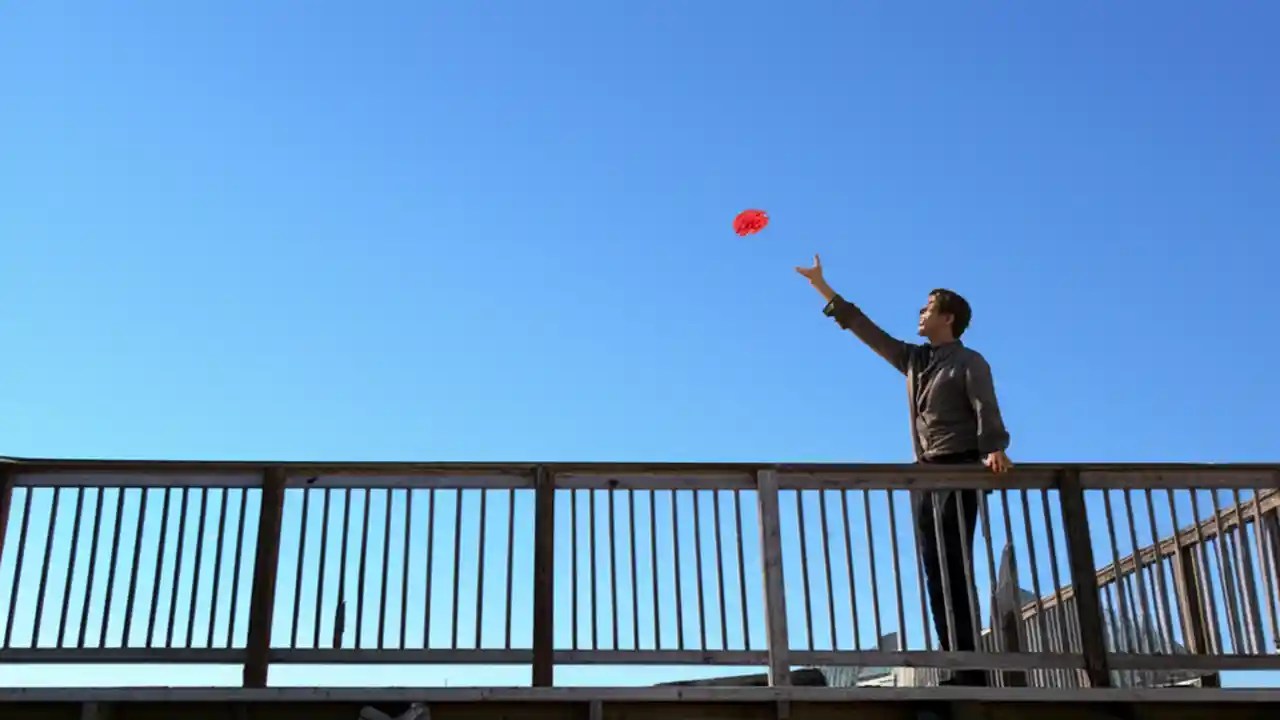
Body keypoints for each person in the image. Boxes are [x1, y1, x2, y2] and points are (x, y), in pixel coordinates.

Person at [796, 253, 1012, 687]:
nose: (920, 312)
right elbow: (867, 332)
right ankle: (959, 667)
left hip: (959, 470)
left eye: (928, 308)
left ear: (947, 318)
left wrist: (994, 449)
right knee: (935, 570)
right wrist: (824, 288)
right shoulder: (915, 361)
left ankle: (973, 671)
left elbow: (984, 404)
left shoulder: (969, 362)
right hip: (925, 477)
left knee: (956, 567)